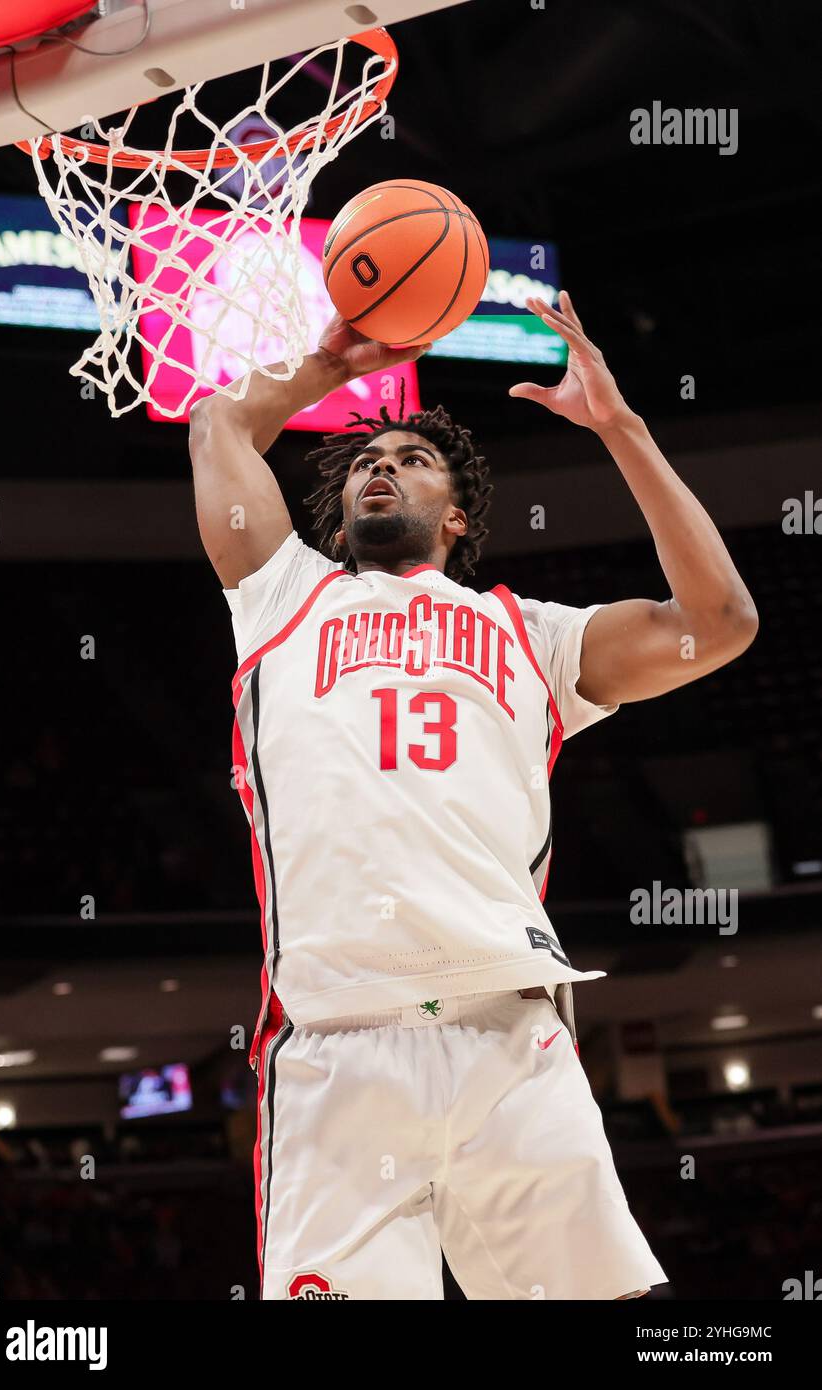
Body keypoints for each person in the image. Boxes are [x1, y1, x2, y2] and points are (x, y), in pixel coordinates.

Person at [189, 291, 758, 1300]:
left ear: (453, 515)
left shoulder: (530, 635)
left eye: (412, 458)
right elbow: (222, 420)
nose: (380, 465)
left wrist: (618, 427)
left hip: (508, 1034)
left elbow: (715, 622)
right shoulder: (279, 598)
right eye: (368, 458)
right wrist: (330, 362)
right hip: (335, 1045)